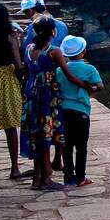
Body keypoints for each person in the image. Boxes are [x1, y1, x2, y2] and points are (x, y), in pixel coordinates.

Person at [21, 17, 92, 191]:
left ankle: (37, 179)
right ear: (53, 32)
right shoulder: (54, 51)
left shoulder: (29, 49)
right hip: (47, 96)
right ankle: (46, 178)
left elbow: (25, 69)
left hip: (31, 93)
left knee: (36, 134)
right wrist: (87, 87)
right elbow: (68, 74)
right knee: (45, 134)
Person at [56, 36, 102, 188]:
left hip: (63, 111)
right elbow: (99, 86)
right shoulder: (89, 69)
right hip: (81, 111)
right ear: (83, 53)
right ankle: (81, 177)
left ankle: (68, 177)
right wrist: (91, 88)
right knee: (81, 146)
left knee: (67, 146)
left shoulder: (59, 70)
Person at [0, 3, 24, 181]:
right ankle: (15, 168)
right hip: (6, 77)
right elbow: (18, 65)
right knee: (11, 126)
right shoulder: (10, 36)